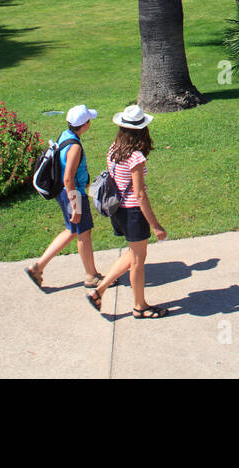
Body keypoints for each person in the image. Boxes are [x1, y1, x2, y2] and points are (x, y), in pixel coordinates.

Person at [86, 104, 168, 319]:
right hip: (133, 213)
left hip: (118, 212)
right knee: (138, 262)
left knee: (132, 254)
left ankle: (99, 290)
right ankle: (140, 306)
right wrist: (156, 225)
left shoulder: (114, 148)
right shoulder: (136, 158)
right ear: (142, 129)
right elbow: (140, 195)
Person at [25, 104, 103, 290]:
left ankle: (38, 267)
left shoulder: (65, 135)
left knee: (72, 230)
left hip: (63, 192)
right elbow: (69, 178)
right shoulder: (74, 147)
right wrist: (76, 207)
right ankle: (91, 276)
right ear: (85, 124)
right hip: (73, 194)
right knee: (83, 233)